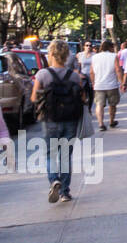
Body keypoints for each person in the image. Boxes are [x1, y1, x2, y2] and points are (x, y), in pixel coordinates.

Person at [30, 39, 86, 203]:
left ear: (51, 54)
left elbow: (33, 97)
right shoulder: (74, 76)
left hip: (50, 119)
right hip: (70, 119)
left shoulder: (42, 74)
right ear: (67, 55)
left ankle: (54, 179)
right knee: (65, 156)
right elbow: (83, 98)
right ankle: (64, 192)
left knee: (50, 154)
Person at [90, 38, 122, 131]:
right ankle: (111, 121)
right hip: (112, 85)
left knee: (99, 105)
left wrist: (93, 82)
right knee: (112, 104)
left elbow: (91, 72)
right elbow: (118, 69)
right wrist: (121, 82)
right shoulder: (114, 56)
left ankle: (101, 123)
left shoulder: (95, 57)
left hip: (99, 85)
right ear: (110, 47)